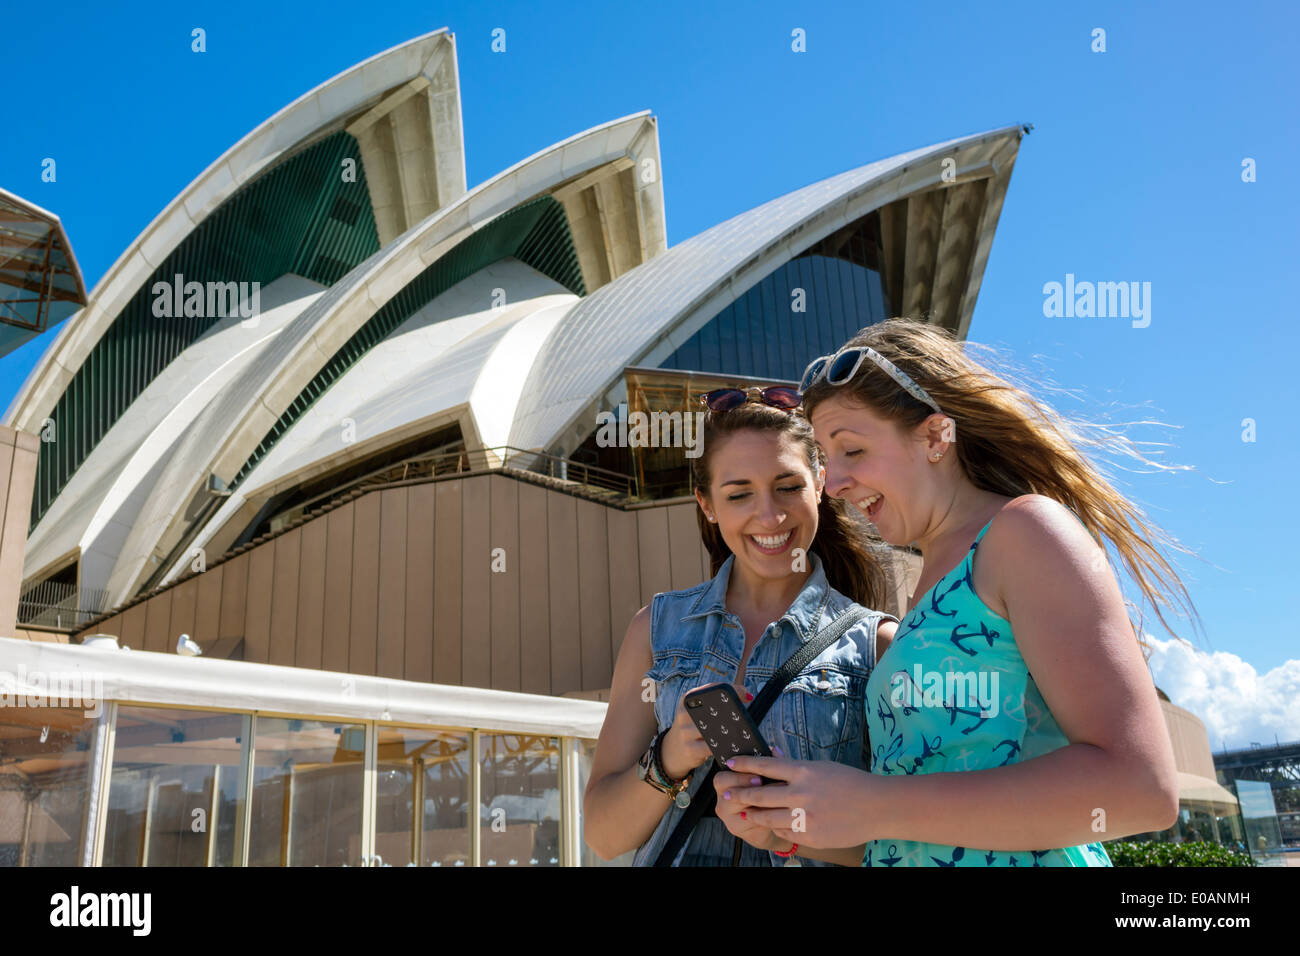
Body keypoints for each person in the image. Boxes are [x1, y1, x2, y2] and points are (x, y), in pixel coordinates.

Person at [716, 318, 1190, 866]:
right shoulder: (926, 587)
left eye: (852, 451)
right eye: (827, 457)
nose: (834, 484)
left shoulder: (1025, 533)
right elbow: (914, 831)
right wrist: (793, 829)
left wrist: (875, 803)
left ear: (937, 436)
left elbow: (1141, 790)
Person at [582, 389, 898, 865]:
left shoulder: (876, 644)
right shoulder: (656, 629)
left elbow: (905, 840)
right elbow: (604, 836)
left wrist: (786, 834)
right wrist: (669, 758)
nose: (768, 515)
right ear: (707, 505)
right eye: (739, 494)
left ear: (820, 483)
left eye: (788, 487)